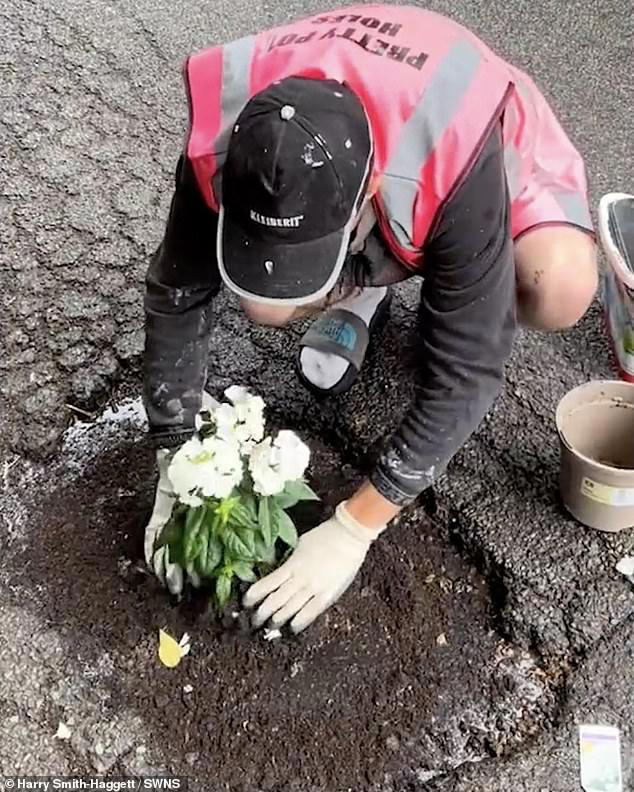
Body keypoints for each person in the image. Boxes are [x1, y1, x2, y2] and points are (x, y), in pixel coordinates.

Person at [143, 5, 598, 633]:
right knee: (264, 300)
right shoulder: (232, 144)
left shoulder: (448, 149)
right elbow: (176, 290)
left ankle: (454, 270)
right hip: (372, 167)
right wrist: (175, 456)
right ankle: (363, 291)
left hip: (482, 143)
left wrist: (353, 527)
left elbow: (469, 370)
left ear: (374, 186)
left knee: (559, 286)